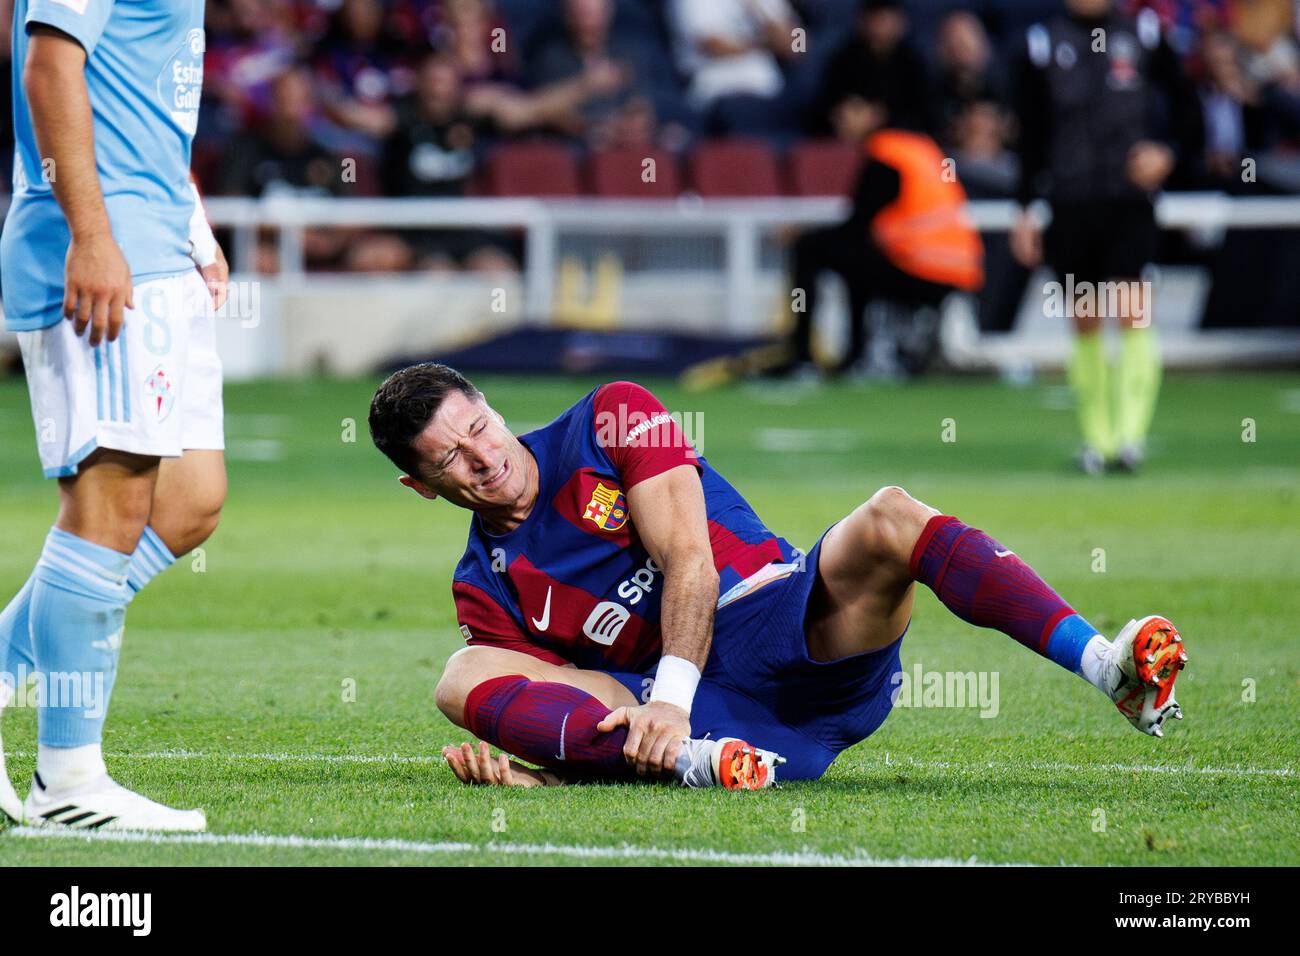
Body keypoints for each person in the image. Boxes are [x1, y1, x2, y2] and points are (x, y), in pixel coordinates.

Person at [367, 365, 1188, 789]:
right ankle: (693, 764)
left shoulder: (610, 415)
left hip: (778, 628)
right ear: (422, 486)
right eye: (451, 458)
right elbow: (565, 700)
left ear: (492, 405)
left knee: (891, 516)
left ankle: (1108, 670)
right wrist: (542, 772)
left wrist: (669, 702)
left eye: (478, 427)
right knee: (462, 674)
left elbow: (688, 558)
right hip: (704, 725)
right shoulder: (486, 583)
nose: (484, 457)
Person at [0, 0, 229, 829]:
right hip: (105, 247)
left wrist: (194, 225)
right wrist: (91, 235)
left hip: (159, 240)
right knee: (108, 509)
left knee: (190, 500)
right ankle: (68, 782)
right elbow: (50, 65)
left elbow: (143, 91)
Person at [1009, 0, 1202, 473]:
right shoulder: (1041, 44)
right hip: (1071, 202)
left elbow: (1189, 113)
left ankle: (1130, 438)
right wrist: (1026, 210)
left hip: (1129, 201)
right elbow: (1031, 138)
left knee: (1133, 309)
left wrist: (1167, 154)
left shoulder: (1146, 35)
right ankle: (1098, 441)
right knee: (1087, 319)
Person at [787, 121, 985, 377]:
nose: (843, 118)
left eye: (854, 108)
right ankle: (856, 355)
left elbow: (857, 226)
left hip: (924, 270)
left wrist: (801, 234)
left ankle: (806, 357)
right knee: (854, 259)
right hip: (962, 271)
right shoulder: (920, 147)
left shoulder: (886, 153)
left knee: (812, 251)